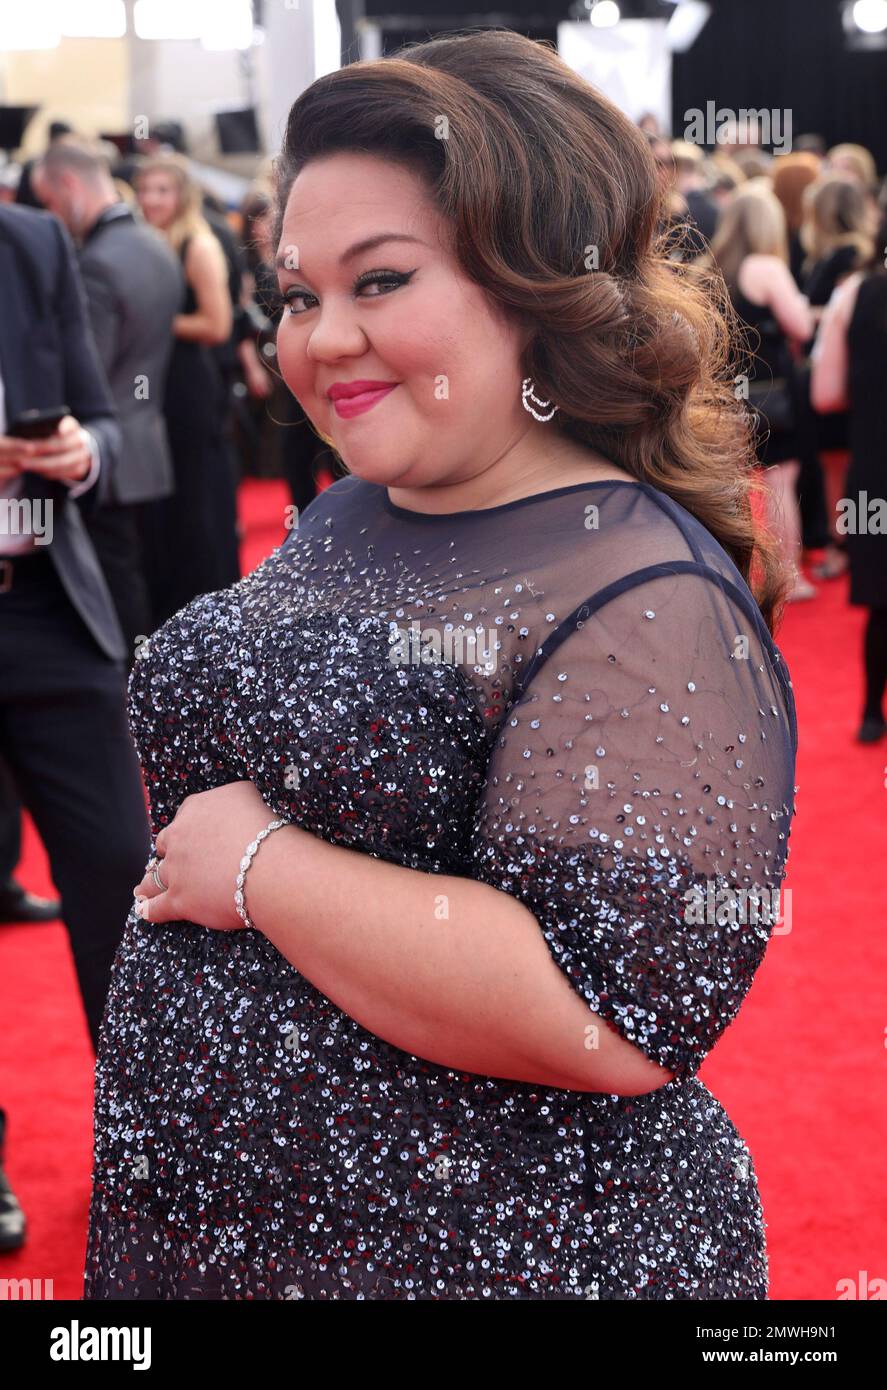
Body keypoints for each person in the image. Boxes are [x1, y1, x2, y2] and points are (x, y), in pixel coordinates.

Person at [84, 29, 797, 1301]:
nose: (321, 340)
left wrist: (256, 868)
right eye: (300, 295)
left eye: (382, 281)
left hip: (483, 1256)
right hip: (220, 1239)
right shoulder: (358, 509)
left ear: (536, 283)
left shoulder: (639, 587)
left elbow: (612, 1018)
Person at [0, 203, 150, 1050]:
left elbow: (103, 418)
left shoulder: (31, 241)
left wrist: (80, 451)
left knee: (117, 879)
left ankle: (143, 1154)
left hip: (52, 611)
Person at [31, 138, 185, 652]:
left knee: (114, 591)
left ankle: (127, 703)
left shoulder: (95, 262)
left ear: (68, 185)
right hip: (150, 442)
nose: (51, 216)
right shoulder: (154, 244)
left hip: (110, 457)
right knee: (145, 576)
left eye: (49, 202)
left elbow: (87, 376)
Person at [133, 154, 235, 625]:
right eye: (145, 189)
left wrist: (152, 322)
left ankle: (205, 610)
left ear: (182, 195)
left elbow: (217, 324)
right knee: (165, 499)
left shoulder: (198, 244)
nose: (151, 199)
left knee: (194, 497)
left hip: (189, 385)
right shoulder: (147, 242)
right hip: (155, 381)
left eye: (162, 190)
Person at [701, 184, 816, 600]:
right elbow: (800, 327)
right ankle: (788, 579)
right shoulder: (766, 267)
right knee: (782, 482)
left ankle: (731, 575)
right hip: (773, 394)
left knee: (730, 485)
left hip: (724, 393)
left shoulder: (708, 267)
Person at [811, 212, 887, 743]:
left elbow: (825, 395)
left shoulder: (854, 294)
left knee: (882, 599)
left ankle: (870, 711)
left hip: (876, 469)